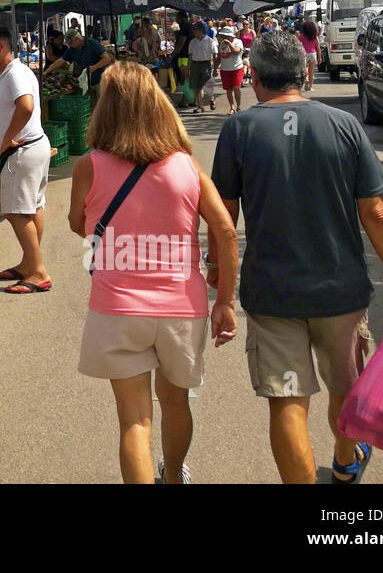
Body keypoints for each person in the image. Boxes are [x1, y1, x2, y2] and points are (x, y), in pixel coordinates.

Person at [210, 31, 383, 485]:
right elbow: (377, 212)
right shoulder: (343, 125)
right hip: (339, 291)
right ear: (304, 72)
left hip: (272, 296)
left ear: (254, 76)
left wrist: (222, 288)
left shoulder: (239, 130)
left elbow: (224, 222)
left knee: (287, 403)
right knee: (347, 390)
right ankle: (347, 464)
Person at [68, 62, 239, 484]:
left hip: (118, 309)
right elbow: (226, 232)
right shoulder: (186, 166)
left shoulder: (89, 166)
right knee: (176, 403)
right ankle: (175, 478)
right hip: (182, 307)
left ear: (105, 108)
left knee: (134, 423)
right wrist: (225, 301)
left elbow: (78, 224)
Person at [0, 26, 51, 294]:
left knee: (14, 211)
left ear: (2, 46)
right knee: (32, 208)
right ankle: (29, 265)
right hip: (33, 146)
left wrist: (7, 139)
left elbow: (26, 106)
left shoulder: (14, 73)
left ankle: (38, 272)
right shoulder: (14, 72)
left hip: (23, 150)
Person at [54, 27, 113, 104]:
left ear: (77, 39)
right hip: (87, 83)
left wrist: (94, 67)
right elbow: (61, 60)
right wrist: (46, 71)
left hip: (99, 81)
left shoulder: (93, 43)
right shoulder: (73, 49)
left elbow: (107, 59)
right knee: (91, 108)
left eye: (70, 43)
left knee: (102, 107)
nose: (69, 45)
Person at [186, 21, 217, 115]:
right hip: (195, 64)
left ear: (200, 30)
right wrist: (188, 68)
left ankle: (211, 98)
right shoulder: (192, 42)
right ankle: (200, 106)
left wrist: (215, 68)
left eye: (195, 30)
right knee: (196, 86)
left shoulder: (210, 41)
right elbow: (190, 56)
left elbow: (215, 55)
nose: (193, 33)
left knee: (208, 85)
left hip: (206, 64)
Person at [215, 26, 245, 115]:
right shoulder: (221, 44)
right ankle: (232, 107)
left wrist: (229, 43)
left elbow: (236, 51)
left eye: (226, 36)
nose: (224, 38)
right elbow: (219, 57)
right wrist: (215, 68)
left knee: (236, 87)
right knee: (228, 89)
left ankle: (239, 106)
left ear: (231, 36)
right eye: (223, 36)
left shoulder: (238, 42)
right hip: (225, 69)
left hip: (237, 68)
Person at [298, 18, 319, 92]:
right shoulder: (314, 37)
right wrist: (319, 57)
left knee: (304, 69)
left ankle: (306, 79)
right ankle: (310, 86)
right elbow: (318, 48)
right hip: (313, 54)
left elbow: (298, 45)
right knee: (311, 71)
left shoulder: (301, 36)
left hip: (304, 54)